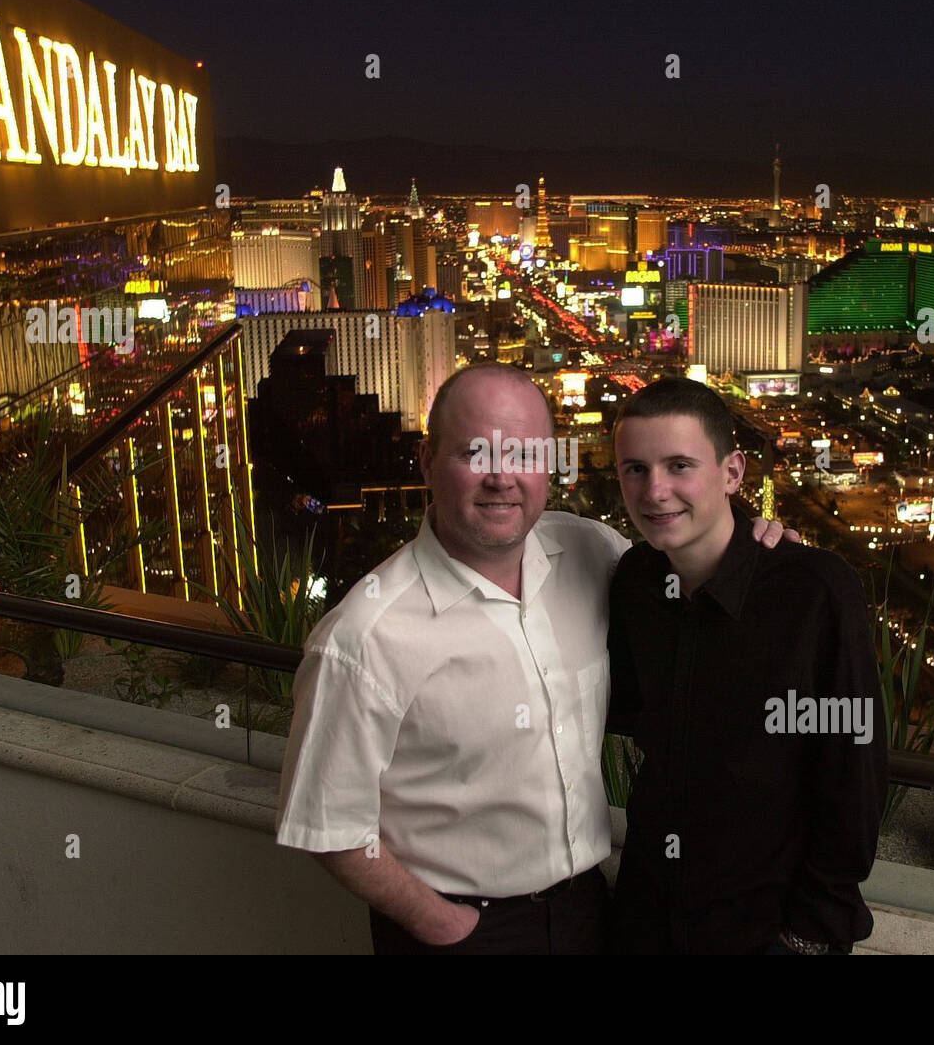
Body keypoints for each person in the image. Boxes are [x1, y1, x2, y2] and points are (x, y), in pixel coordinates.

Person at [275, 363, 799, 955]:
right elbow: (329, 828)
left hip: (591, 912)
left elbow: (694, 577)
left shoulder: (591, 550)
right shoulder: (364, 636)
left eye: (523, 453)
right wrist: (444, 927)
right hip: (462, 929)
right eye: (476, 451)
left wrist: (759, 546)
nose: (501, 477)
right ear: (427, 461)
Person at [606, 377, 887, 955]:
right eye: (635, 468)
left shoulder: (814, 590)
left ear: (732, 473)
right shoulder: (634, 580)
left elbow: (852, 776)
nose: (655, 491)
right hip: (644, 916)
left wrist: (810, 936)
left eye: (679, 465)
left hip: (762, 928)